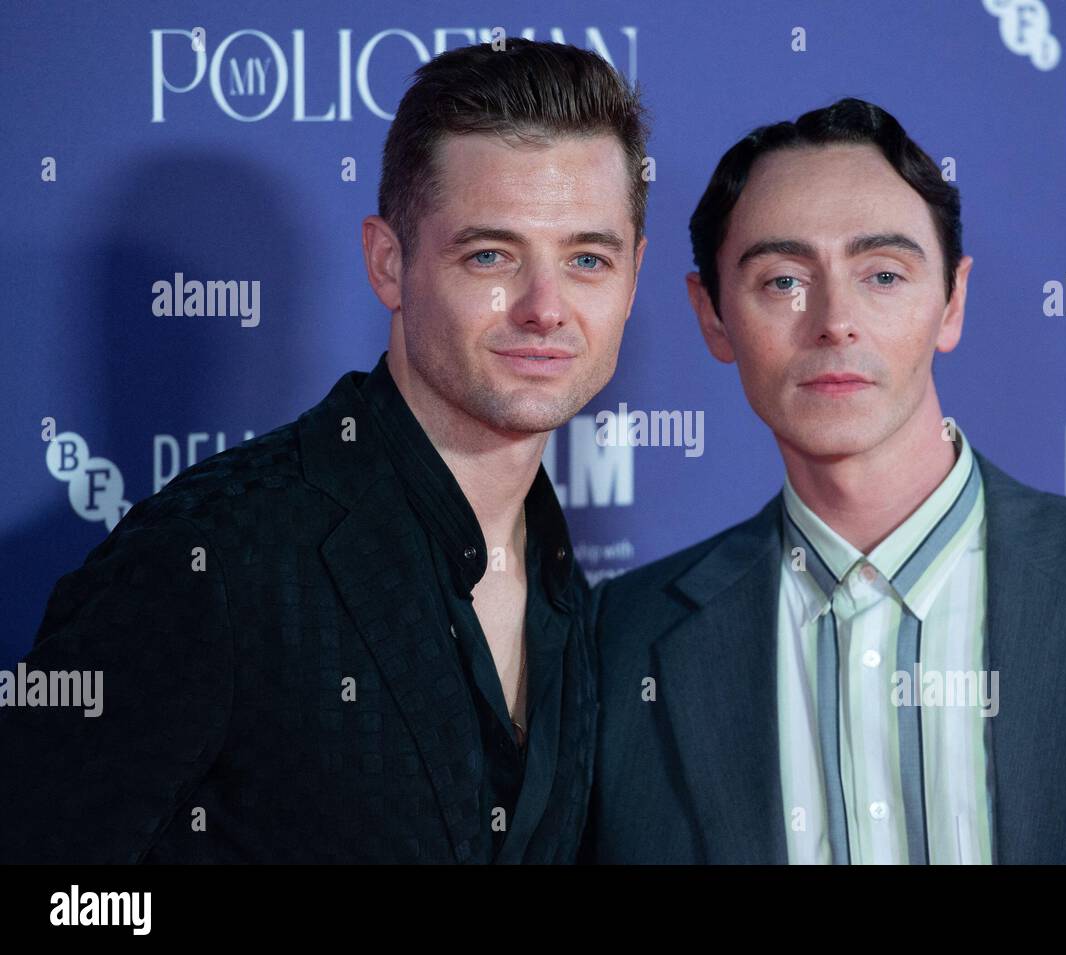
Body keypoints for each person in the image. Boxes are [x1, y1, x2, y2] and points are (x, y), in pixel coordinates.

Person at [582, 97, 1066, 864]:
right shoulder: (621, 643)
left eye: (883, 274)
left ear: (952, 302)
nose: (835, 320)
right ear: (713, 316)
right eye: (783, 280)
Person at [0, 37, 648, 864]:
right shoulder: (215, 558)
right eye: (491, 254)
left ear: (633, 280)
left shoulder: (574, 594)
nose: (544, 307)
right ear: (389, 262)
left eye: (588, 259)